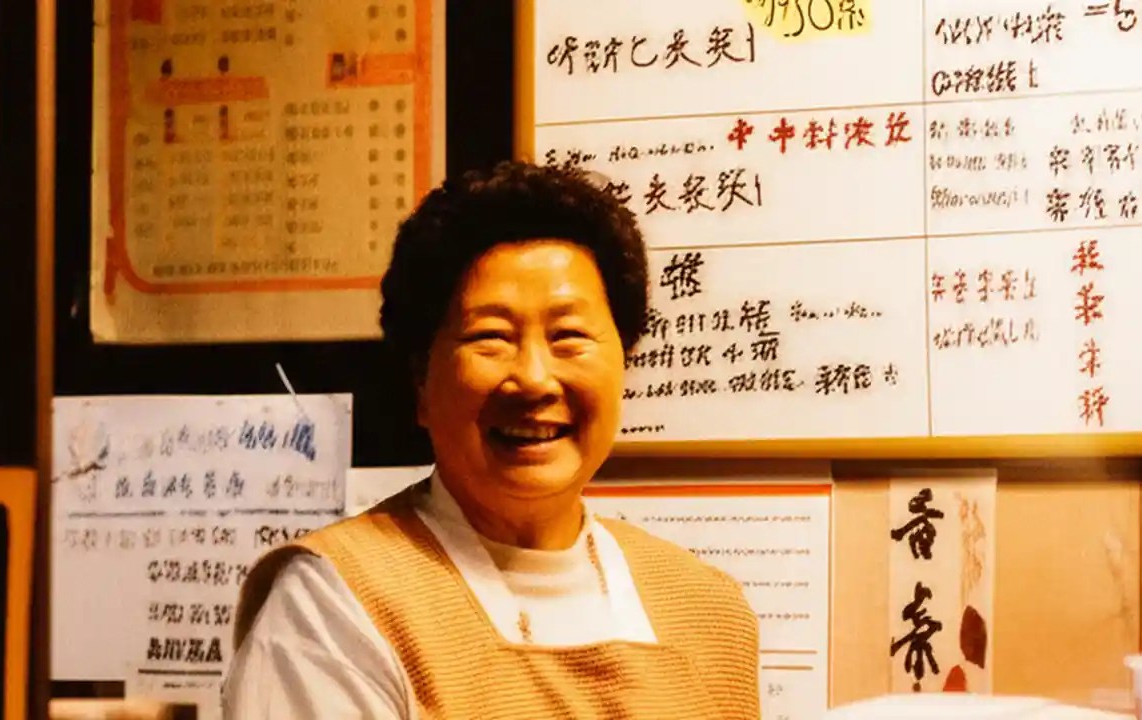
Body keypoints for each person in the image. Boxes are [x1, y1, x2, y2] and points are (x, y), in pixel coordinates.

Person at [222, 161, 761, 719]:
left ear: (624, 362)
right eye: (490, 338)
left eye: (569, 336)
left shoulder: (709, 608)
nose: (532, 378)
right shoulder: (332, 602)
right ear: (422, 385)